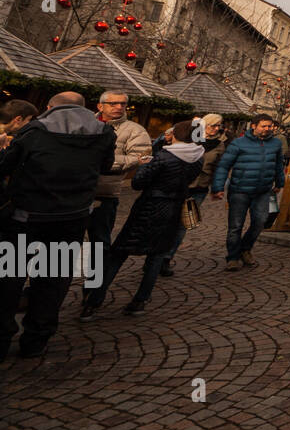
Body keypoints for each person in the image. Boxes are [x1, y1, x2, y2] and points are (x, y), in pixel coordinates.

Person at [0, 92, 115, 360]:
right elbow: (105, 166)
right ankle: (36, 340)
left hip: (26, 217)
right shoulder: (104, 133)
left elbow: (7, 165)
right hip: (72, 219)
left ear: (50, 107)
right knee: (52, 282)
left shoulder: (35, 130)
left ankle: (2, 339)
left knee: (9, 280)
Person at [80, 120, 204, 319]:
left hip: (150, 206)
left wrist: (145, 164)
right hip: (173, 208)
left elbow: (138, 182)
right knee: (156, 255)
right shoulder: (198, 157)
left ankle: (94, 300)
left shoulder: (163, 156)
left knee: (119, 253)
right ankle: (140, 300)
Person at [85, 90, 153, 298]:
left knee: (99, 243)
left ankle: (93, 287)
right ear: (100, 106)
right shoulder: (85, 123)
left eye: (122, 104)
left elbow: (142, 157)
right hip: (72, 191)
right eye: (113, 103)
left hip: (104, 192)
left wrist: (106, 164)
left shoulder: (134, 130)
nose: (118, 107)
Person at [211, 113, 285, 271]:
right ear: (254, 126)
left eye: (269, 126)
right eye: (263, 126)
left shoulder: (276, 144)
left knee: (260, 222)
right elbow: (224, 165)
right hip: (240, 190)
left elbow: (278, 164)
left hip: (263, 190)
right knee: (235, 226)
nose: (267, 129)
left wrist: (280, 181)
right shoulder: (239, 143)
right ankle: (232, 257)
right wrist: (218, 187)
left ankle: (245, 249)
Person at [160, 114, 226, 276]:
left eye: (219, 126)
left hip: (197, 190)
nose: (216, 129)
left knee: (183, 225)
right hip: (177, 187)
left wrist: (217, 187)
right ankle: (154, 255)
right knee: (165, 221)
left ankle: (166, 258)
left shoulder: (220, 145)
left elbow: (218, 168)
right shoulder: (190, 137)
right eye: (213, 125)